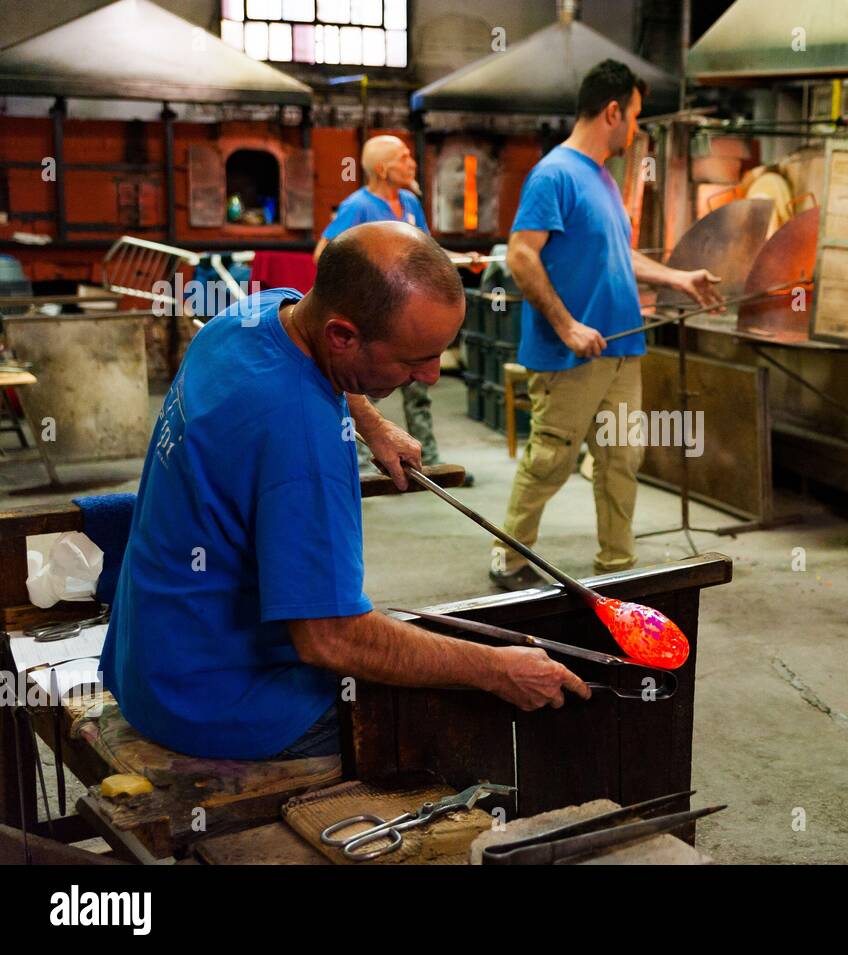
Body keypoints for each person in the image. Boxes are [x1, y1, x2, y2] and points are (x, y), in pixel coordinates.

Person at [101, 221, 588, 761]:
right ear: (343, 336)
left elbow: (305, 347)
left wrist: (372, 421)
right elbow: (331, 637)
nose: (429, 377)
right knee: (469, 729)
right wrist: (495, 669)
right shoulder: (304, 443)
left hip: (145, 659)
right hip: (217, 704)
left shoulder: (250, 316)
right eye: (412, 359)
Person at [489, 60, 721, 590]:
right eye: (635, 117)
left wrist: (680, 279)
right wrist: (568, 325)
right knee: (551, 460)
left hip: (621, 347)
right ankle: (509, 558)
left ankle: (616, 568)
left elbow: (622, 256)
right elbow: (523, 255)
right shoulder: (554, 174)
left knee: (621, 458)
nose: (636, 129)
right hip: (572, 352)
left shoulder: (602, 180)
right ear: (613, 111)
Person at [314, 134, 447, 476]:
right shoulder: (358, 206)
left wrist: (460, 259)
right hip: (378, 321)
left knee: (419, 385)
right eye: (405, 158)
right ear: (383, 169)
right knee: (365, 389)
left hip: (413, 319)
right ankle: (362, 463)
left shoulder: (410, 202)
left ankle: (425, 456)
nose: (412, 163)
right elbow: (324, 255)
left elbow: (426, 254)